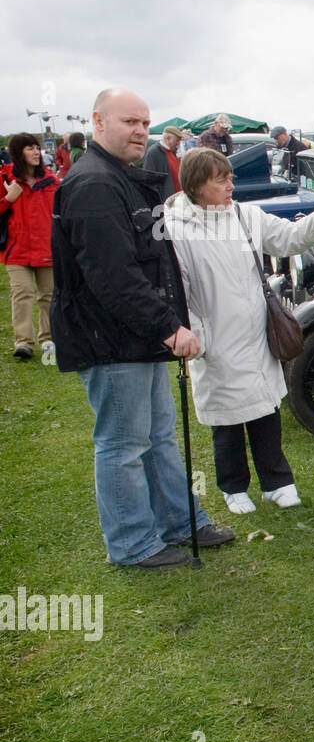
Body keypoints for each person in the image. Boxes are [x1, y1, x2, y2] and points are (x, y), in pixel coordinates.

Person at [50, 87, 234, 570]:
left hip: (140, 338)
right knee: (122, 444)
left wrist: (165, 326)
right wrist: (168, 328)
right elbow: (113, 277)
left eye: (145, 123)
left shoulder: (124, 179)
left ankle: (179, 522)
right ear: (98, 122)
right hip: (112, 342)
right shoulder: (93, 186)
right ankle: (132, 543)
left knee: (157, 437)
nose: (139, 131)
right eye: (129, 121)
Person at [164, 148, 314, 515]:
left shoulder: (242, 214)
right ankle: (233, 488)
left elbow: (286, 238)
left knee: (266, 412)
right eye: (222, 180)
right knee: (227, 419)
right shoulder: (176, 229)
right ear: (196, 185)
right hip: (215, 336)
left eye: (230, 177)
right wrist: (196, 337)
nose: (231, 185)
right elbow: (179, 288)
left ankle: (277, 482)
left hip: (256, 331)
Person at [1, 133, 59, 361]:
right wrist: (9, 199)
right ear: (18, 152)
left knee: (48, 295)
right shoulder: (5, 179)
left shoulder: (52, 181)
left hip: (46, 248)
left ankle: (48, 338)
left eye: (37, 147)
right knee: (22, 293)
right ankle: (23, 341)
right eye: (29, 148)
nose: (36, 152)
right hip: (17, 250)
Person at [143, 125, 183, 194]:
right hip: (165, 200)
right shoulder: (154, 152)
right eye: (177, 141)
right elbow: (149, 180)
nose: (178, 144)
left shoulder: (172, 151)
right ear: (167, 138)